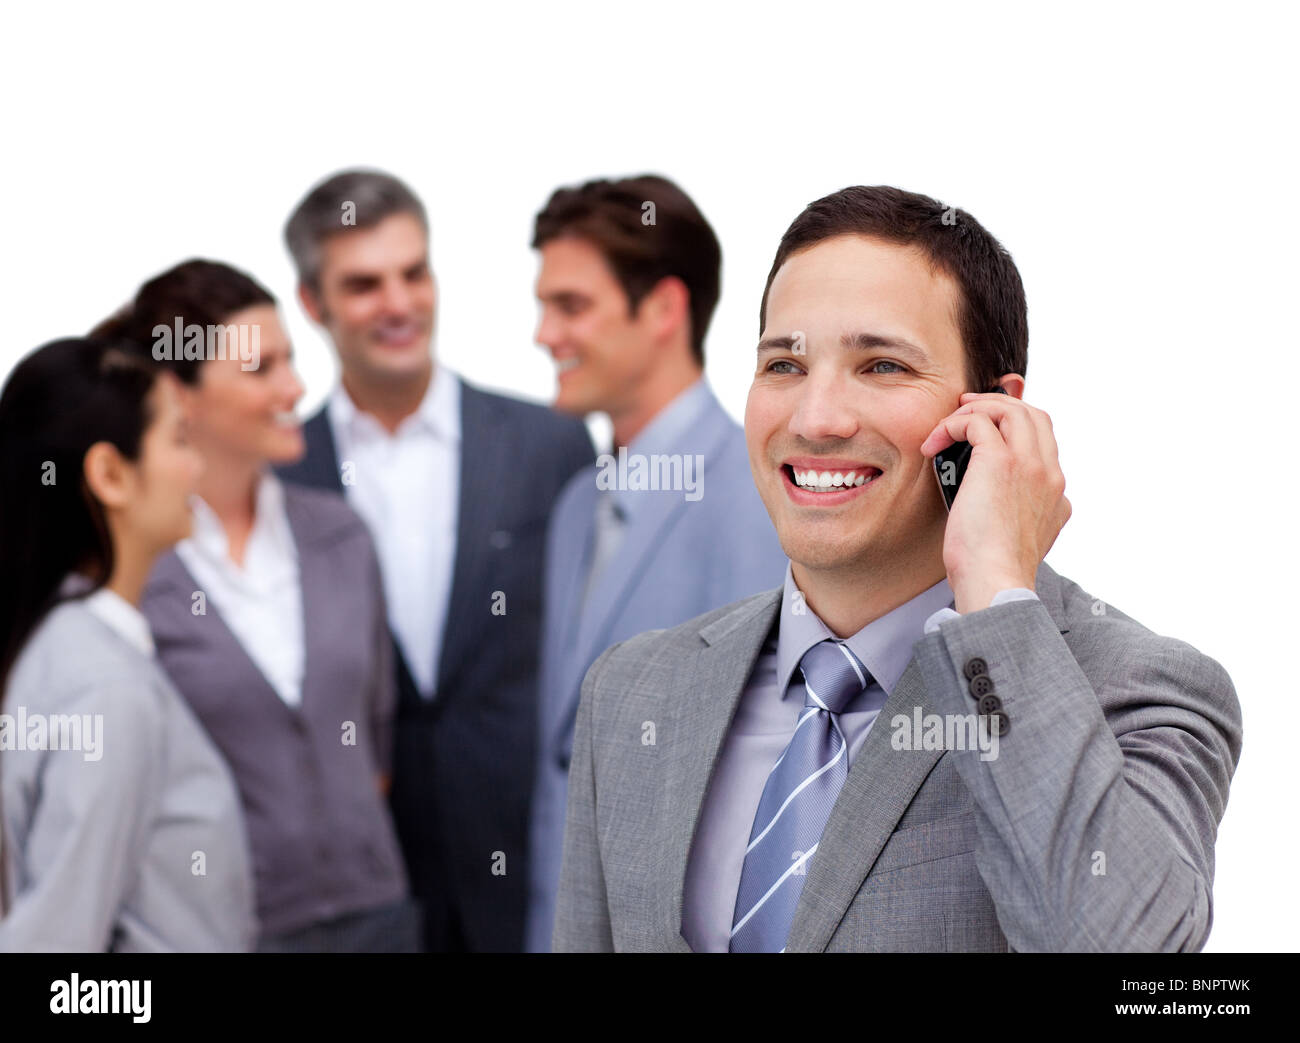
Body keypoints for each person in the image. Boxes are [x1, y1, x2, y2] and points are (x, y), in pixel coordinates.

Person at [553, 185, 1243, 953]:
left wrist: (994, 590)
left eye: (880, 365)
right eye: (784, 363)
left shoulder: (1141, 689)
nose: (816, 418)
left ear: (993, 413)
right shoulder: (632, 691)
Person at [277, 169, 594, 952]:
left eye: (413, 273)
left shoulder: (547, 444)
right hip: (357, 882)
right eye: (363, 284)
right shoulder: (279, 475)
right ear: (313, 303)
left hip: (526, 858)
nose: (398, 303)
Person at [101, 259, 419, 951]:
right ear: (178, 393)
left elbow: (374, 734)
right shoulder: (136, 568)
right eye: (260, 369)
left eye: (291, 361)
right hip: (227, 929)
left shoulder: (340, 533)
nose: (294, 388)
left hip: (378, 916)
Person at [525, 174, 787, 950]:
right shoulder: (577, 506)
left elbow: (768, 769)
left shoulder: (757, 488)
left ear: (665, 309)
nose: (545, 334)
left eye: (570, 306)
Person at [0, 337, 256, 951]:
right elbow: (56, 944)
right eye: (177, 440)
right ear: (111, 474)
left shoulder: (60, 649)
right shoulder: (106, 688)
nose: (195, 467)